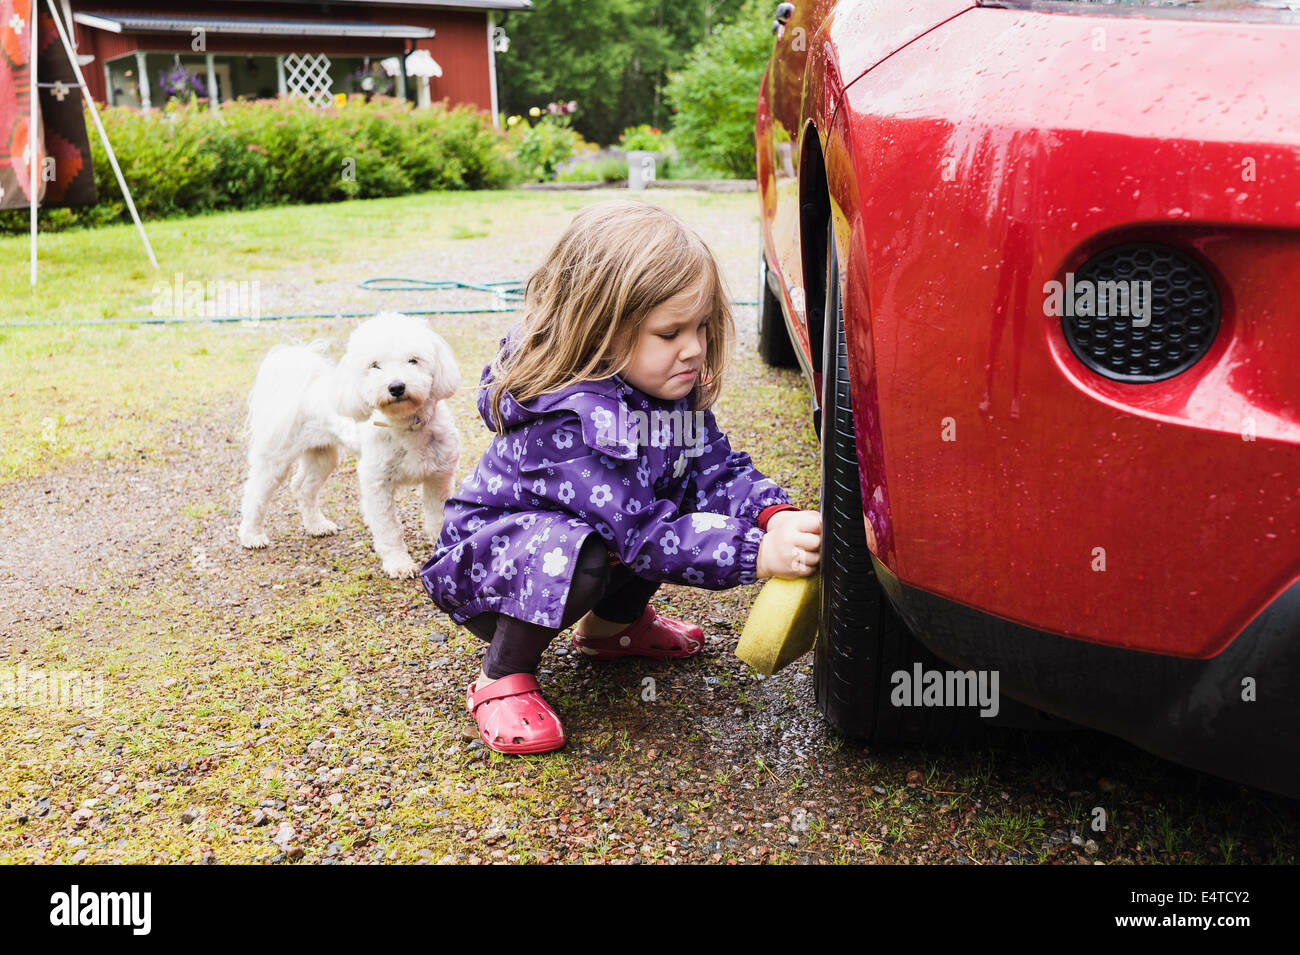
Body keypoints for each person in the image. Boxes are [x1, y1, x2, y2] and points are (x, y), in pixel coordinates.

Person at [419, 199, 822, 754]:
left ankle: (611, 628)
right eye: (670, 332)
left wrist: (774, 513)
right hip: (493, 576)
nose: (695, 349)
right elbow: (645, 538)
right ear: (600, 331)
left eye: (701, 326)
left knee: (663, 489)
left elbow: (715, 469)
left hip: (594, 552)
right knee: (593, 542)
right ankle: (502, 675)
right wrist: (755, 554)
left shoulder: (666, 394)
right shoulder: (573, 422)